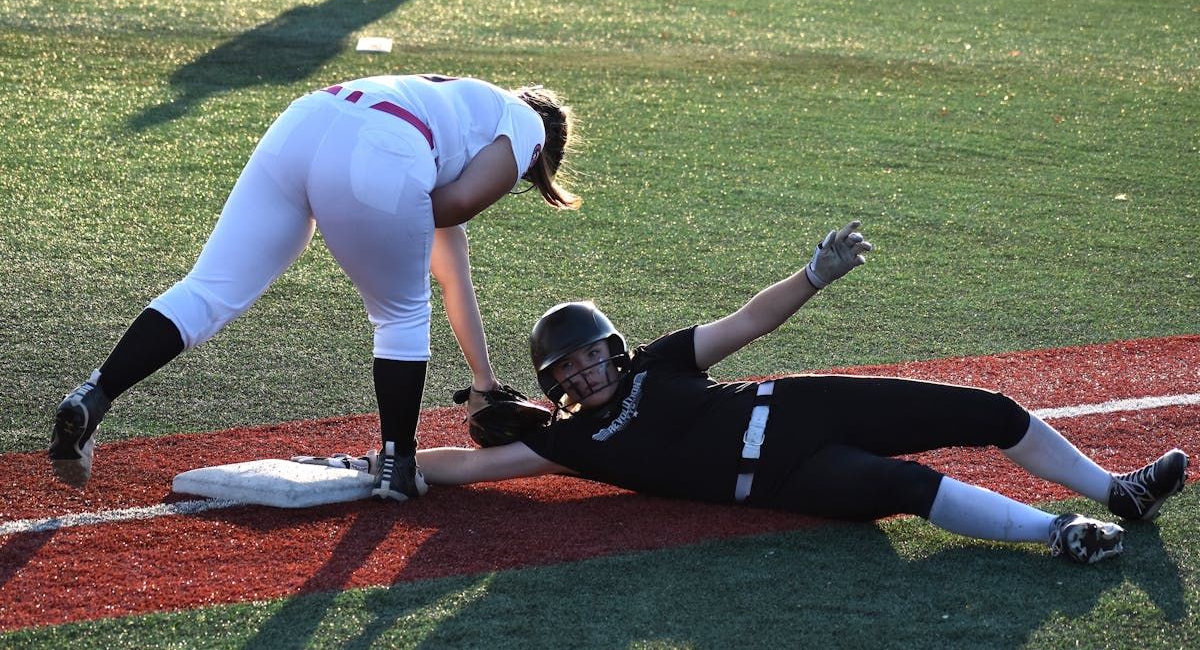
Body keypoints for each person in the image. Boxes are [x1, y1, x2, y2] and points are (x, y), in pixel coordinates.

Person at [314, 220, 1187, 563]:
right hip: (777, 479)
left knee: (983, 411)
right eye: (566, 371)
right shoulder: (569, 441)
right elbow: (468, 469)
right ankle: (1064, 532)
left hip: (798, 405)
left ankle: (1119, 493)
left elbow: (744, 325)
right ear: (553, 387)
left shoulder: (655, 361)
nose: (583, 372)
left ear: (610, 349)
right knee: (908, 491)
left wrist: (813, 274)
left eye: (589, 356)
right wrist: (385, 457)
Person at [50, 74, 580, 503]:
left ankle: (95, 393)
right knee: (400, 314)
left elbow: (453, 271)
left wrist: (483, 380)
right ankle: (398, 465)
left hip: (304, 122)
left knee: (207, 291)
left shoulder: (457, 105)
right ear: (546, 152)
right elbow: (461, 201)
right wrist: (379, 212)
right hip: (380, 145)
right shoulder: (528, 126)